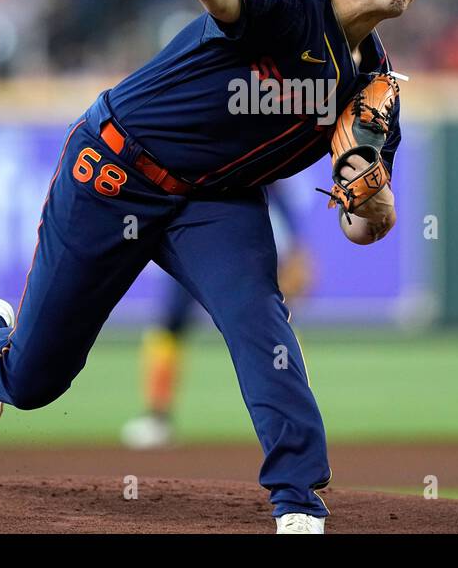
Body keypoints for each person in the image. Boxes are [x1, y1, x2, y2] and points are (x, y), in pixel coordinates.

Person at [0, 0, 457, 533]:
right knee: (34, 381)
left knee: (262, 320)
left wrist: (372, 199)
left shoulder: (376, 85)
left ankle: (297, 500)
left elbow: (360, 228)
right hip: (114, 173)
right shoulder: (288, 5)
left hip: (214, 203)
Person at [120, 181, 314, 450]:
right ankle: (157, 416)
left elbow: (276, 191)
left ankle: (292, 419)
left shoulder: (254, 151)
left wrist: (295, 250)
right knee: (171, 324)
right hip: (193, 236)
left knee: (272, 326)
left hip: (243, 240)